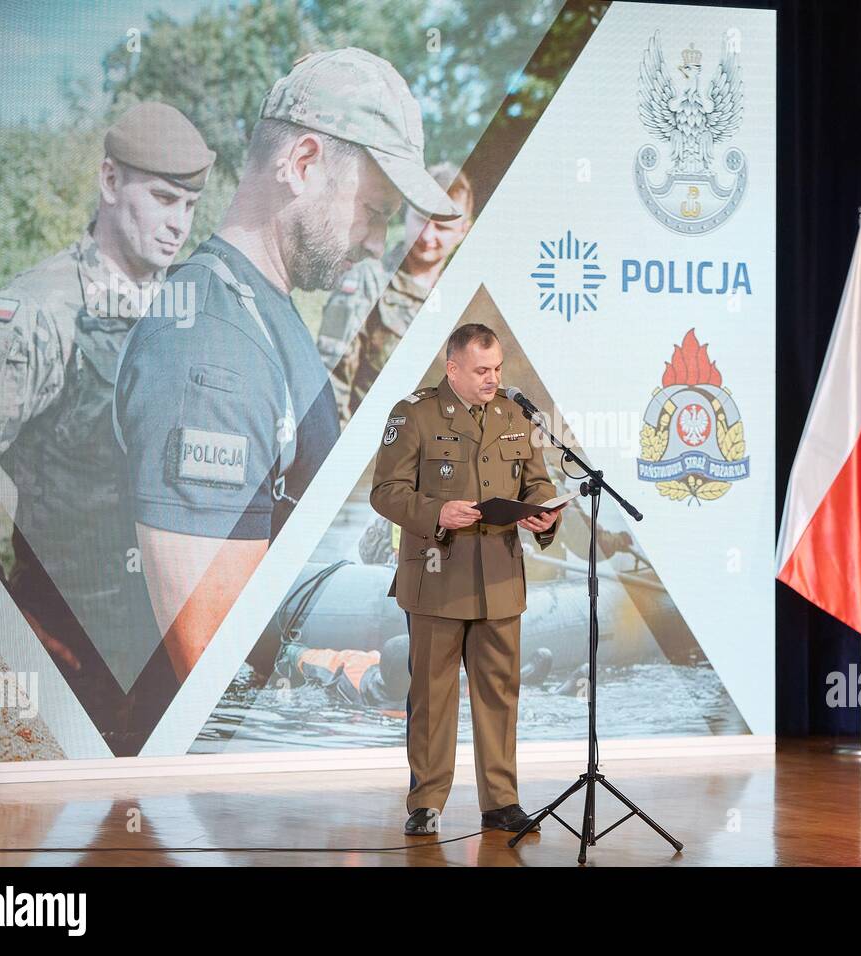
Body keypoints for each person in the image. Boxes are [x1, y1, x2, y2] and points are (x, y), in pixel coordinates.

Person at [113, 48, 460, 684]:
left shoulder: (265, 312)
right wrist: (326, 671)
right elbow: (210, 653)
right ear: (302, 164)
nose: (382, 242)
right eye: (376, 211)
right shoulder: (211, 350)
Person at [0, 102, 213, 738]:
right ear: (110, 182)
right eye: (164, 198)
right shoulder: (30, 313)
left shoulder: (186, 313)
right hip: (67, 658)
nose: (178, 225)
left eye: (190, 208)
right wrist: (5, 620)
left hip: (170, 654)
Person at [370, 322, 562, 835]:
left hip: (500, 579)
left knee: (500, 691)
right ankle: (426, 802)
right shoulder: (413, 414)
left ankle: (500, 800)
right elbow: (385, 491)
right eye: (481, 370)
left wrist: (544, 513)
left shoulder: (514, 415)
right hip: (437, 576)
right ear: (452, 368)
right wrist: (438, 512)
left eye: (497, 368)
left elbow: (537, 482)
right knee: (432, 696)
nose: (492, 379)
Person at [318, 163, 475, 424]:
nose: (428, 236)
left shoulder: (461, 305)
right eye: (421, 220)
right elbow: (330, 384)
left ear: (463, 231)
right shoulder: (367, 278)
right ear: (406, 211)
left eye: (443, 228)